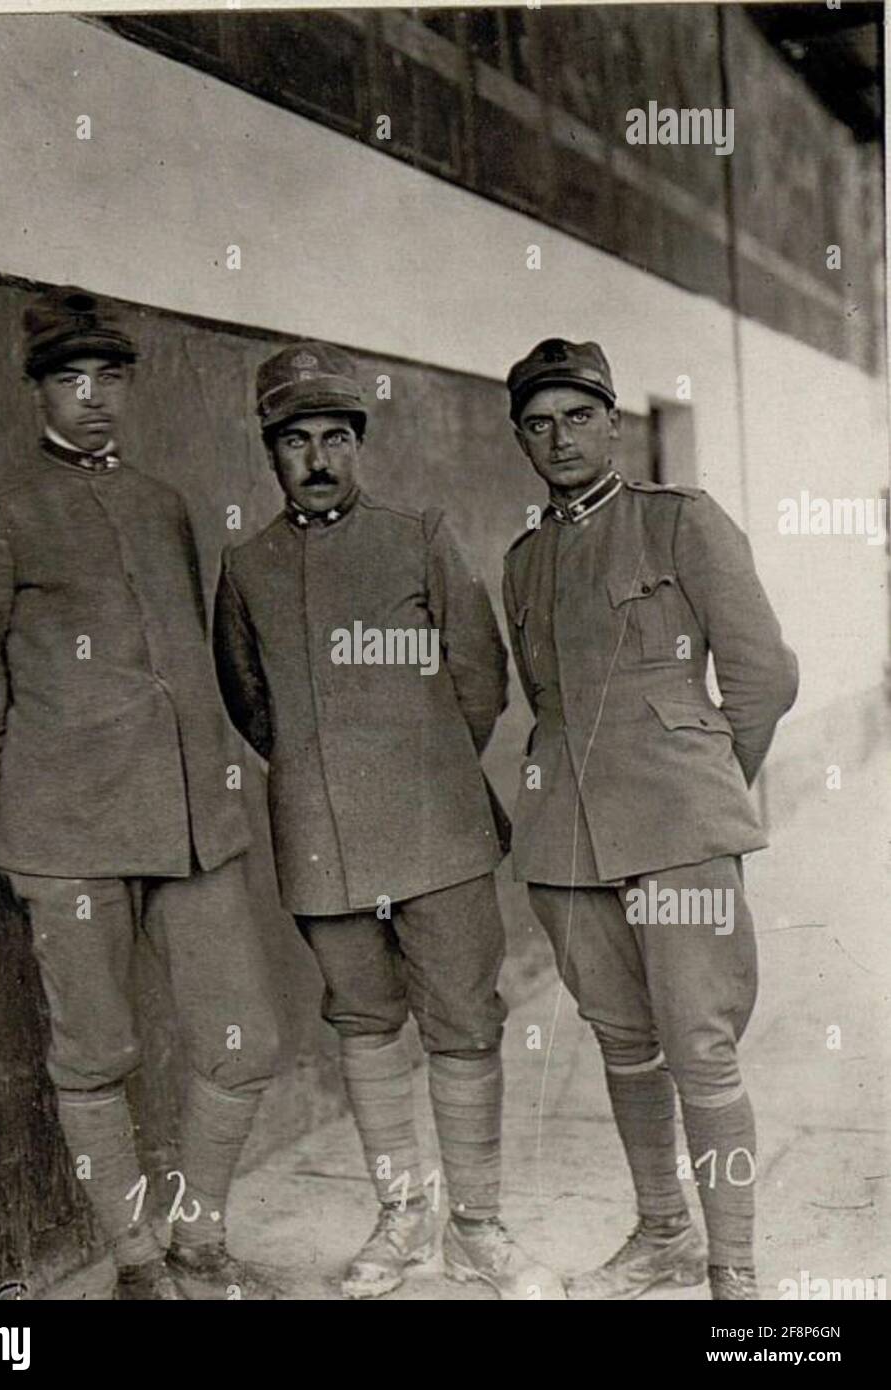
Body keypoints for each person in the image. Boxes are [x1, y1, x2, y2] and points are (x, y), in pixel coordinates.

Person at [0, 287, 279, 1300]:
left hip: (195, 828)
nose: (91, 399)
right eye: (68, 379)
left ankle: (199, 1239)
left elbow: (197, 667)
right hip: (65, 839)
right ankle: (135, 1261)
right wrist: (28, 823)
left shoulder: (164, 505)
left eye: (108, 377)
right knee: (96, 1054)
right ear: (37, 389)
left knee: (245, 1038)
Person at [214, 340, 559, 1299]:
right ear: (271, 453)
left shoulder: (418, 536)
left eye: (335, 436)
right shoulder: (247, 566)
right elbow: (251, 703)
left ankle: (479, 1229)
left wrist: (425, 768)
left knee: (462, 1023)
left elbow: (479, 678)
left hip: (437, 830)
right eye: (295, 441)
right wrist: (322, 775)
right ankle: (404, 1219)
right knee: (363, 1025)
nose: (318, 457)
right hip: (322, 846)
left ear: (358, 443)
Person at [501, 337, 798, 1301]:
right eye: (539, 425)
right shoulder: (526, 559)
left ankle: (733, 1270)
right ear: (521, 440)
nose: (560, 439)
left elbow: (764, 675)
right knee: (623, 1044)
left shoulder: (680, 523)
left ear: (614, 424)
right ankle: (662, 1231)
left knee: (700, 1048)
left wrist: (706, 790)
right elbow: (544, 695)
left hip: (678, 830)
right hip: (568, 842)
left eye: (578, 417)